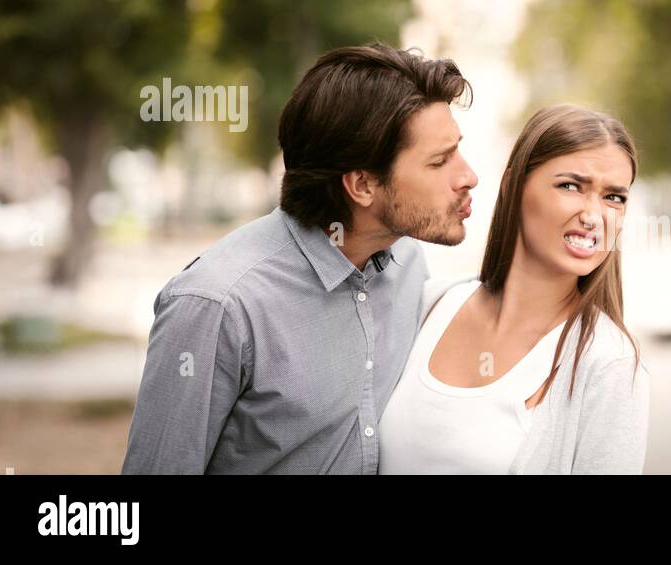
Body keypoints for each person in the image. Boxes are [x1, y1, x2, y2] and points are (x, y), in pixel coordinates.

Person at [121, 42, 479, 474]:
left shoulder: (406, 263)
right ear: (362, 185)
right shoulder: (217, 306)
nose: (468, 176)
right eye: (440, 161)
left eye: (456, 149)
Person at [378, 104, 650, 474]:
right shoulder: (430, 305)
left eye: (613, 197)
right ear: (512, 186)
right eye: (571, 186)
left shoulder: (608, 363)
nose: (593, 216)